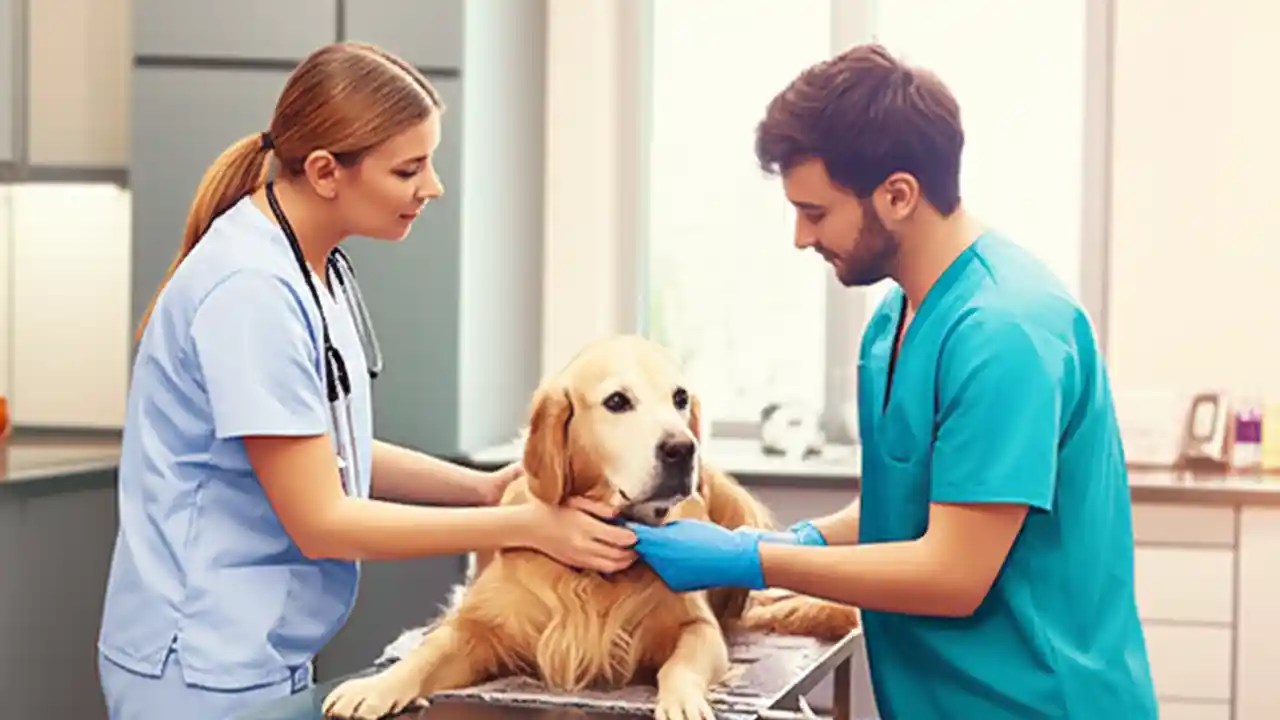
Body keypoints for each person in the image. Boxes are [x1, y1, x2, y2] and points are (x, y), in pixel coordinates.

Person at [97, 41, 637, 720]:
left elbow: (324, 447)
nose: (432, 186)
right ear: (326, 171)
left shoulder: (316, 268)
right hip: (195, 669)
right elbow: (322, 519)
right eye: (409, 168)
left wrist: (481, 491)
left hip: (253, 654)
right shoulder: (249, 292)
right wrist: (524, 524)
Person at [628, 43, 1158, 719]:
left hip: (1039, 703)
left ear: (898, 195)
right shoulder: (893, 320)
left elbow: (952, 573)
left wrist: (749, 558)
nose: (799, 237)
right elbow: (905, 506)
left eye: (815, 213)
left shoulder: (1006, 333)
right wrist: (806, 541)